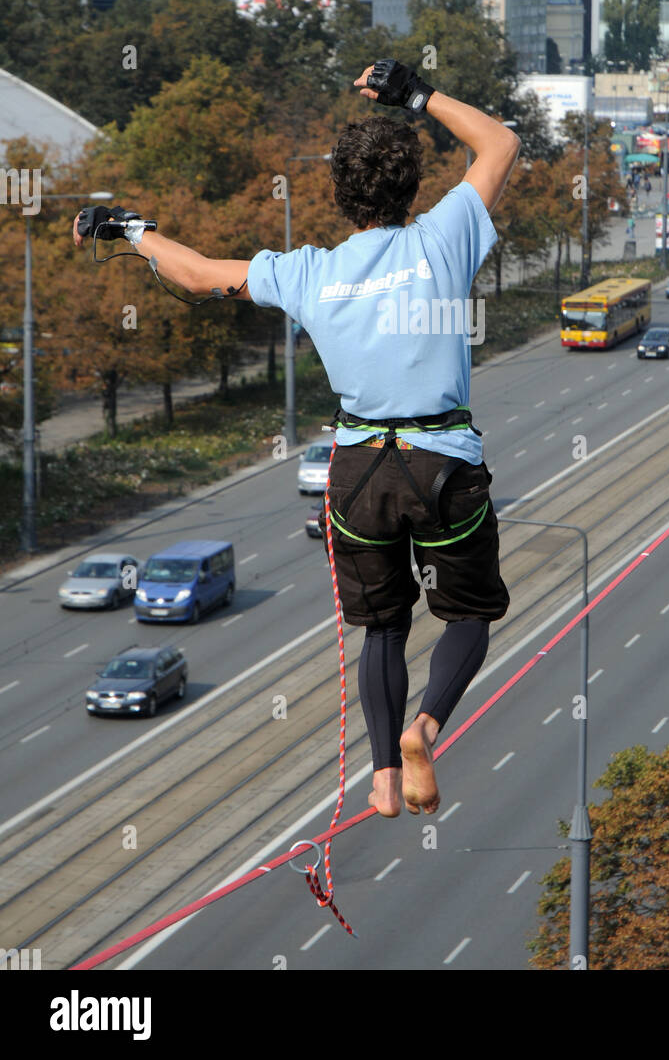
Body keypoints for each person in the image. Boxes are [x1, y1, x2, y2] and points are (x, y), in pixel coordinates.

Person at [72, 59, 520, 820]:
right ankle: (425, 728)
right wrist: (419, 95)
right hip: (440, 459)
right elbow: (499, 144)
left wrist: (131, 230)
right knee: (468, 615)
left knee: (382, 625)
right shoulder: (443, 238)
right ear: (411, 189)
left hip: (354, 475)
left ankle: (381, 773)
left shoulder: (310, 272)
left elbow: (200, 274)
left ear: (340, 197)